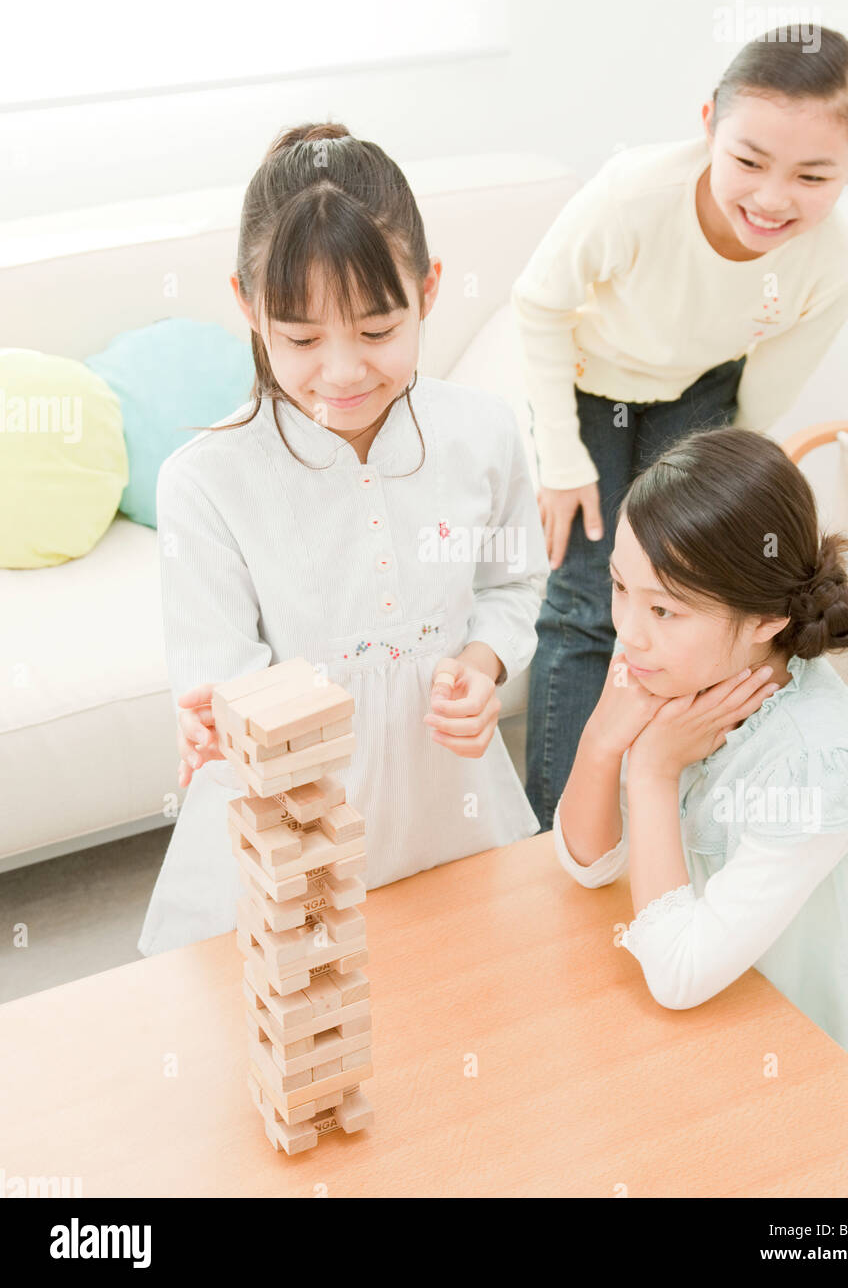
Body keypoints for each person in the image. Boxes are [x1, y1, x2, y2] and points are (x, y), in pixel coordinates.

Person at [138, 121, 549, 957]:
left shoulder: (482, 430)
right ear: (248, 307)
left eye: (375, 332)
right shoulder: (205, 480)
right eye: (298, 339)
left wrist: (481, 666)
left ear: (428, 291)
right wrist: (220, 717)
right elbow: (218, 668)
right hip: (295, 822)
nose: (341, 372)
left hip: (452, 807)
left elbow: (514, 584)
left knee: (474, 1009)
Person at [513, 26, 848, 832]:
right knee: (585, 598)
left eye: (813, 174)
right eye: (748, 161)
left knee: (691, 598)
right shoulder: (633, 195)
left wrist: (722, 492)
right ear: (708, 123)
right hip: (588, 381)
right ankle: (555, 827)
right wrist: (563, 458)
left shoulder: (836, 264)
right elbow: (537, 307)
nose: (772, 198)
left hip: (700, 390)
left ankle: (666, 804)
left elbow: (762, 393)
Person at [556, 426, 848, 1135]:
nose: (628, 631)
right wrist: (600, 742)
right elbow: (589, 867)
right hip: (741, 1026)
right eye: (619, 586)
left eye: (662, 608)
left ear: (766, 618)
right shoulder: (676, 662)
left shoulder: (814, 766)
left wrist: (649, 770)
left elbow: (676, 973)